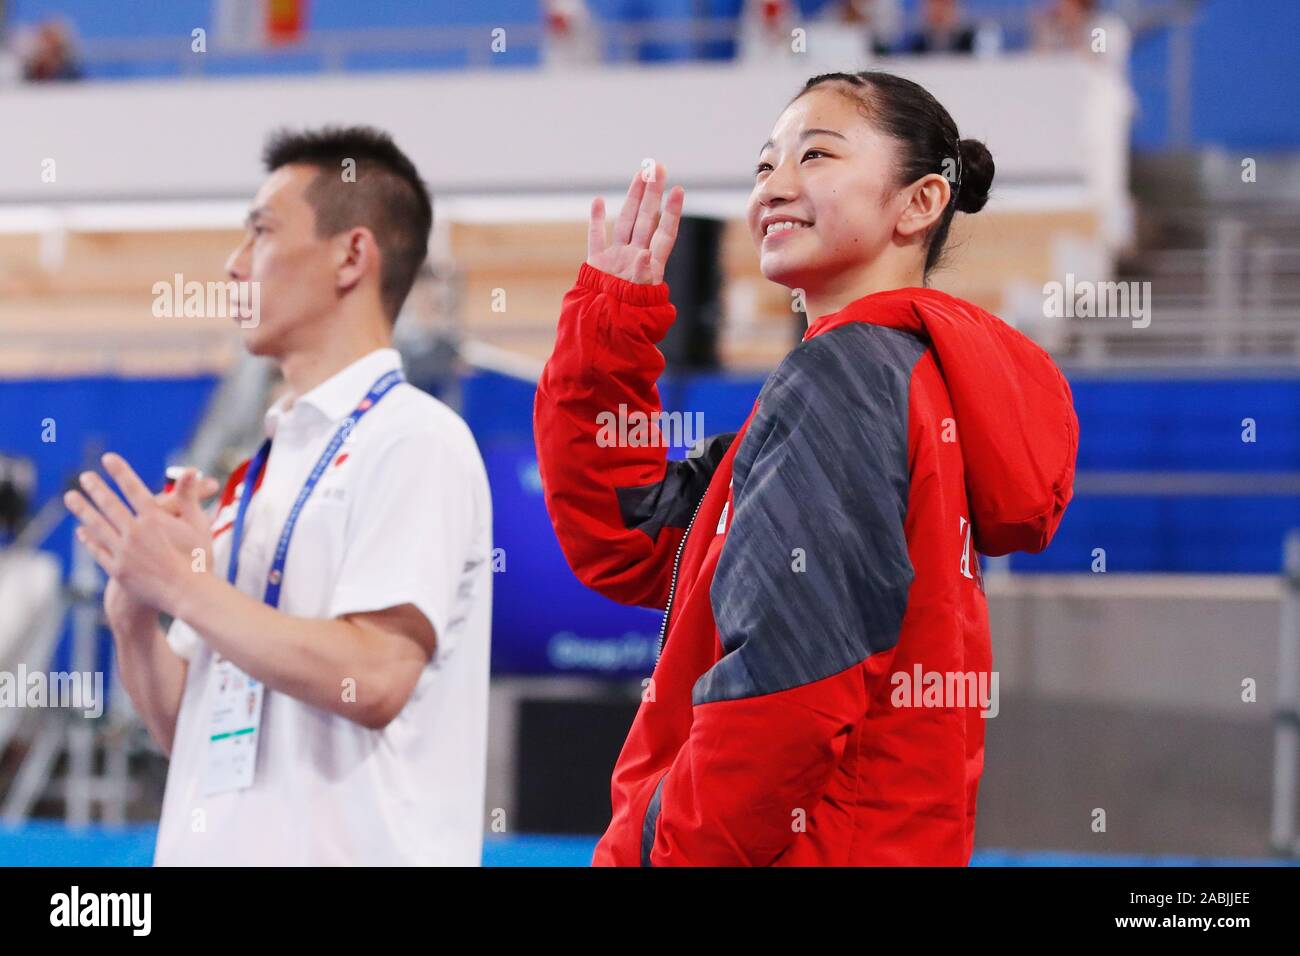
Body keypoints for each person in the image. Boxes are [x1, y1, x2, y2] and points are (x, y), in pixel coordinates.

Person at [534, 70, 1078, 865]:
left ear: (920, 203)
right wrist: (611, 329)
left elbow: (782, 701)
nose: (774, 188)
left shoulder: (848, 379)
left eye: (816, 156)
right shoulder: (889, 376)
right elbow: (637, 538)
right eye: (764, 165)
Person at [64, 126, 493, 866]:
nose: (233, 267)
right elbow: (190, 731)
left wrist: (189, 588)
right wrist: (135, 615)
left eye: (260, 233)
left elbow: (379, 677)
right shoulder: (255, 476)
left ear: (352, 255)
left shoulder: (416, 440)